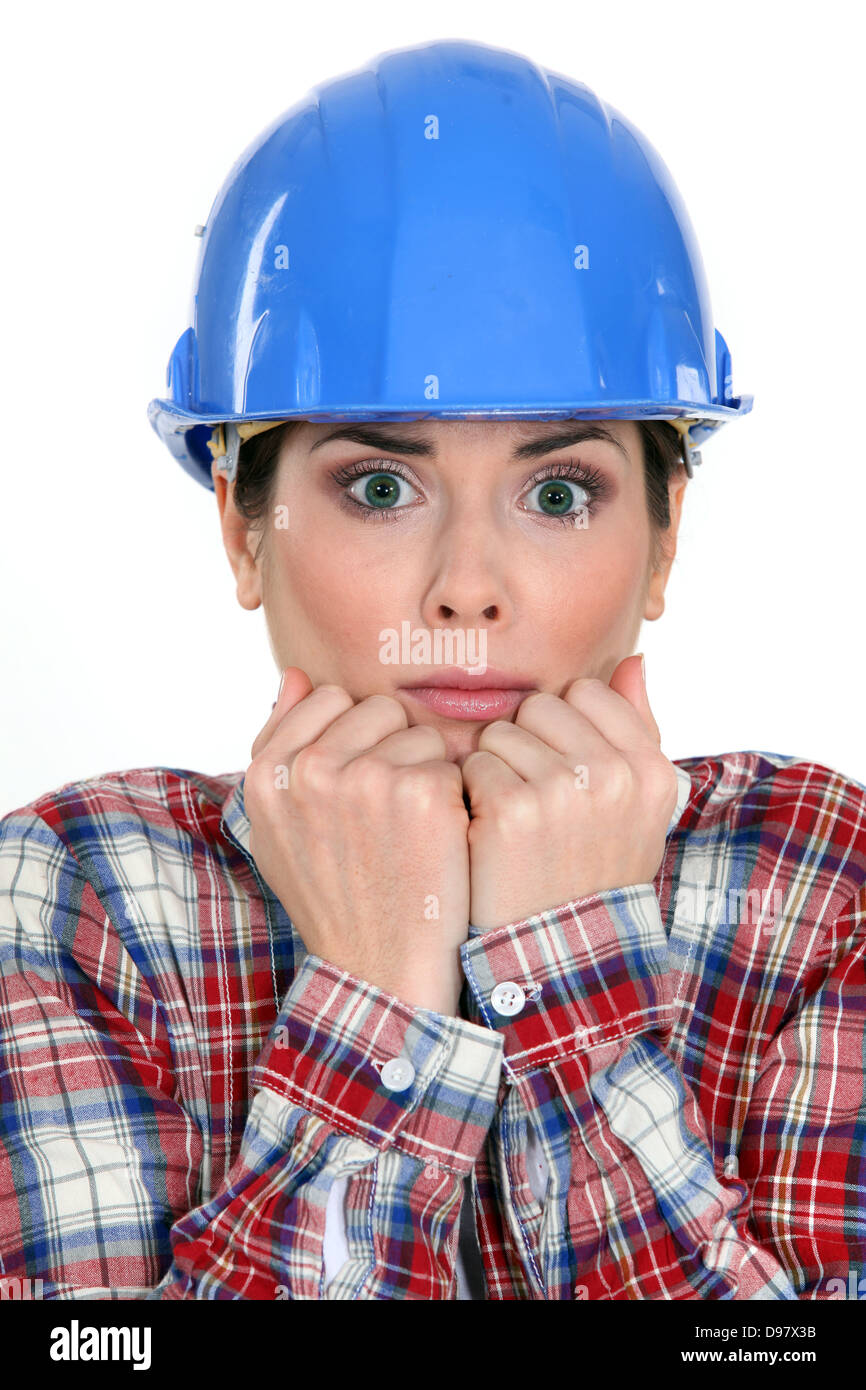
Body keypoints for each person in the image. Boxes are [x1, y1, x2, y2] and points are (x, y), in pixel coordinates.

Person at [1, 38, 864, 1302]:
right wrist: (373, 994)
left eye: (559, 490)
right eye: (379, 486)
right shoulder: (76, 909)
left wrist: (570, 980)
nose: (468, 586)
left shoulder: (820, 897)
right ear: (247, 530)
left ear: (663, 542)